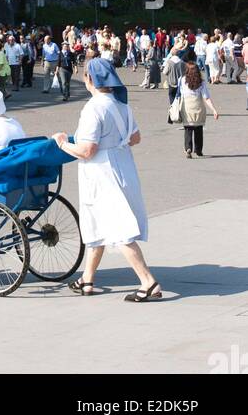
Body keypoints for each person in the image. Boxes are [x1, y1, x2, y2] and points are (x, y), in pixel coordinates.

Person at [52, 57, 160, 301]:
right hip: (123, 166)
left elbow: (87, 150)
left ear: (90, 79)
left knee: (118, 228)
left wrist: (62, 144)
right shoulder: (122, 104)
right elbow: (136, 138)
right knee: (97, 225)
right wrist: (115, 143)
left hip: (101, 172)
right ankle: (87, 279)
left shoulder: (94, 108)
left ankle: (148, 282)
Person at [174, 61, 218, 158]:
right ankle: (198, 150)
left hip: (186, 107)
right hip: (198, 107)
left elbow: (178, 93)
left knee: (188, 128)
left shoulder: (181, 80)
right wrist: (214, 110)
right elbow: (206, 97)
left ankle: (188, 147)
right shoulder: (201, 83)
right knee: (199, 129)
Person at [162, 47, 185, 121]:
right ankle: (180, 110)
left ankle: (173, 110)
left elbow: (165, 72)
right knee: (179, 97)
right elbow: (185, 72)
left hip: (171, 82)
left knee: (171, 96)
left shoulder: (169, 62)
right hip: (180, 83)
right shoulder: (182, 62)